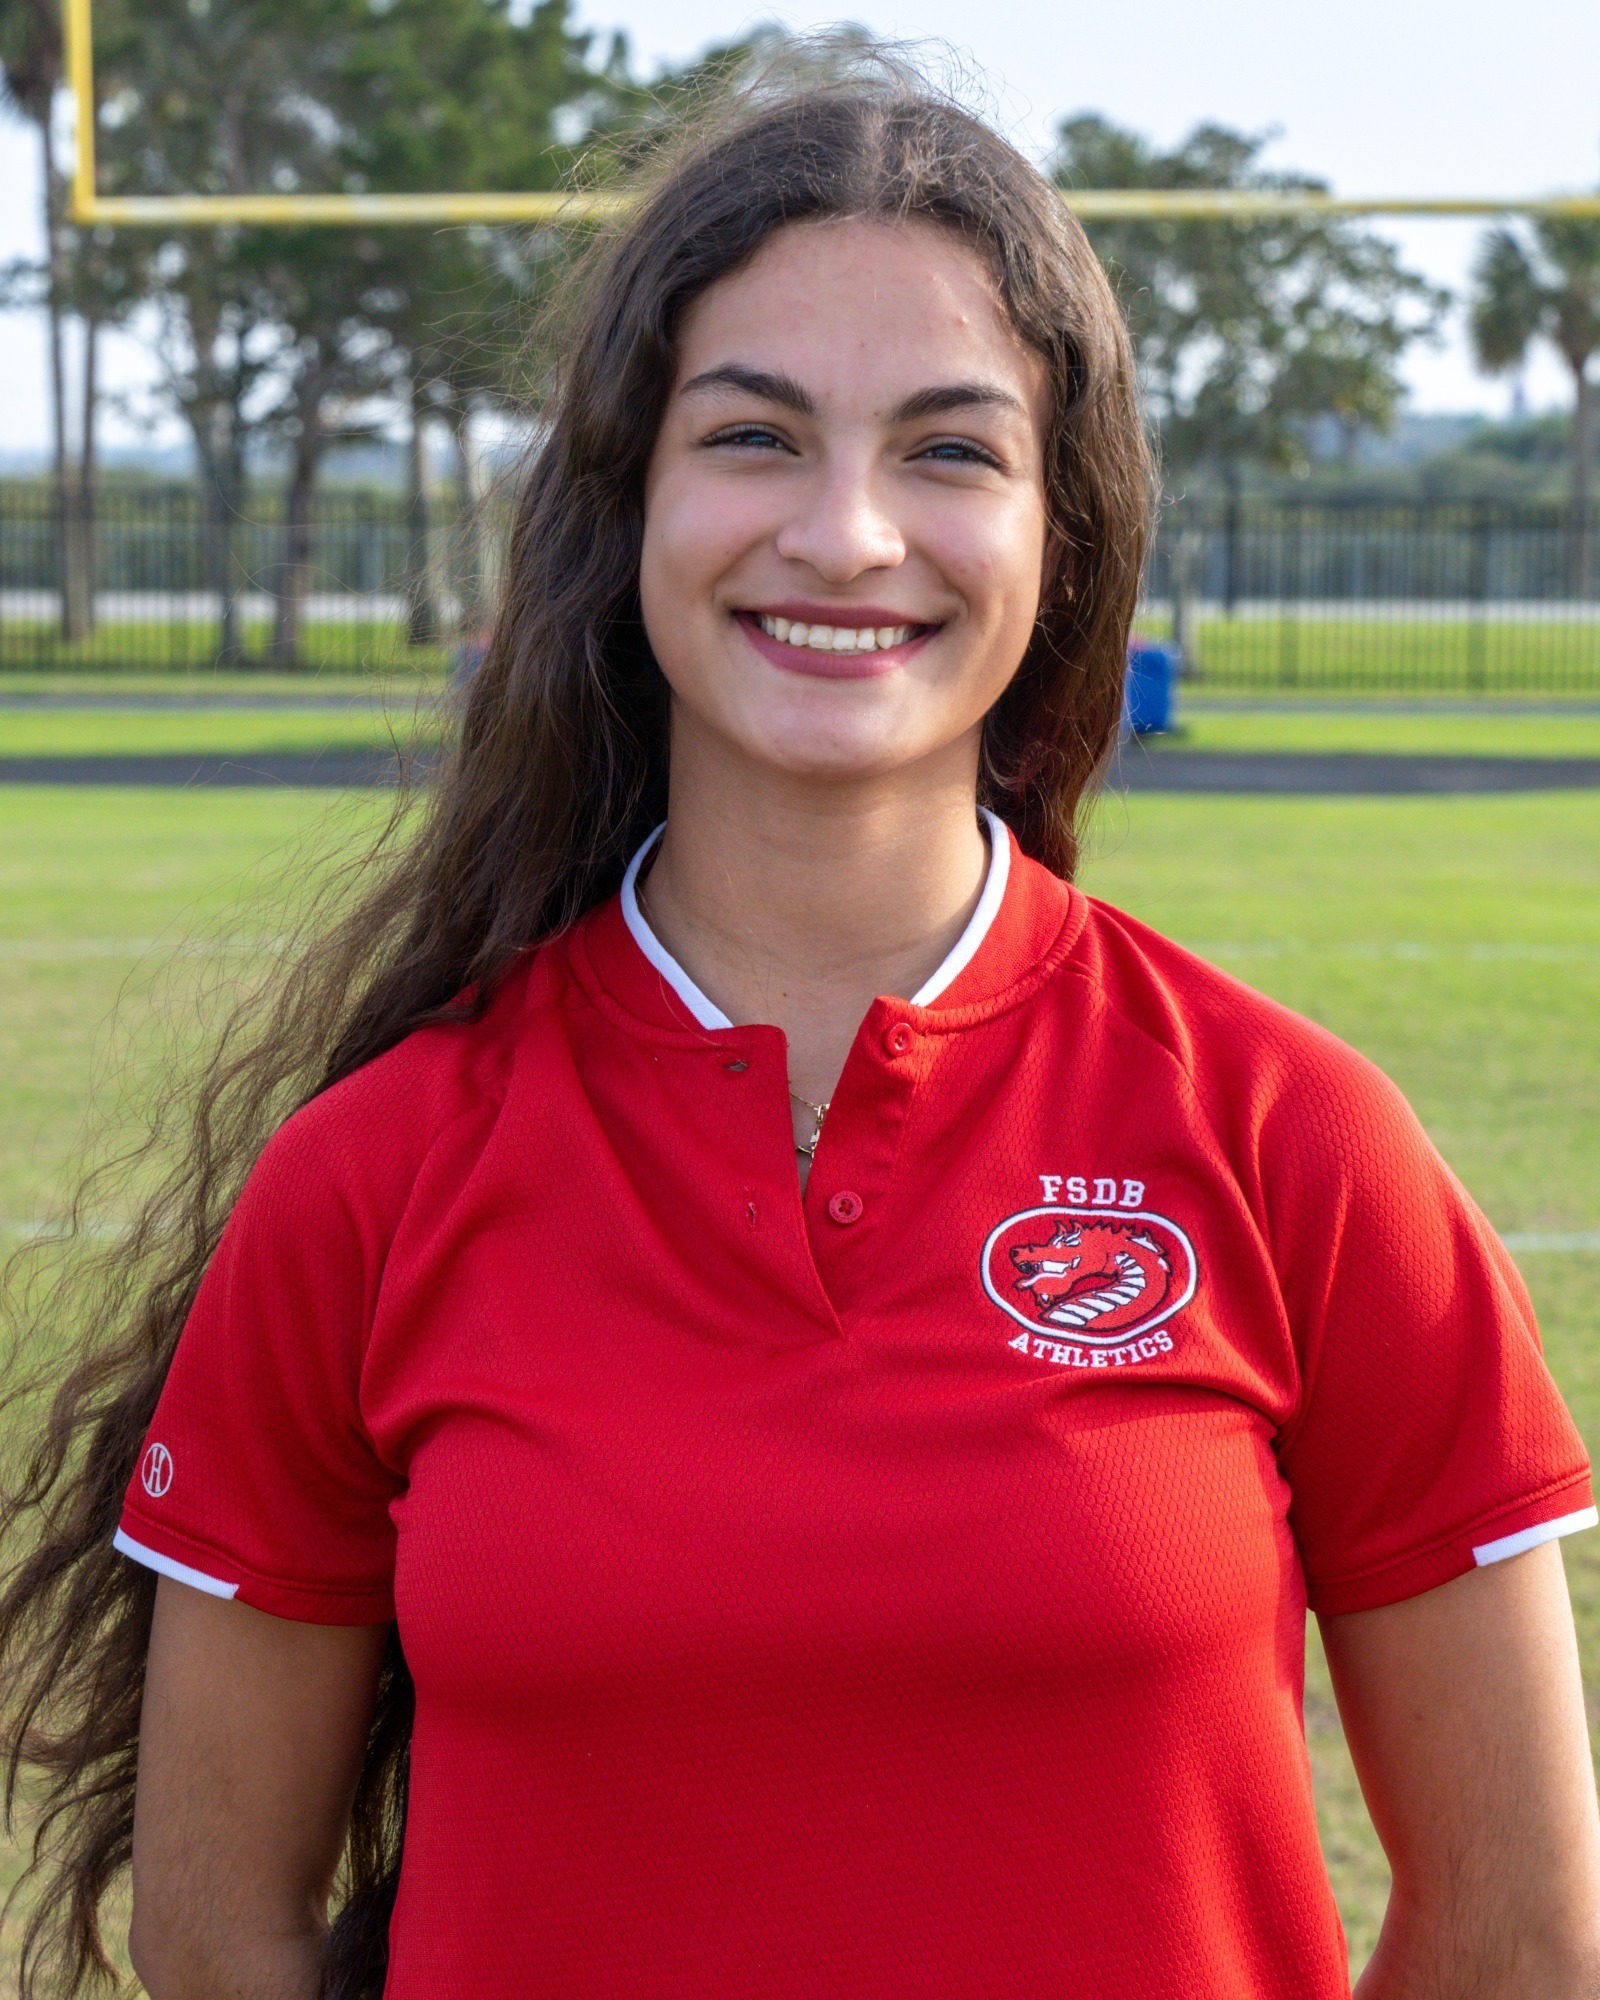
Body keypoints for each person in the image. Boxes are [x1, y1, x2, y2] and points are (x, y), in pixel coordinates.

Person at [3, 59, 1598, 2000]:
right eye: (754, 436)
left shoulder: (1296, 1141)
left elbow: (1515, 1937)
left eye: (945, 449)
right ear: (629, 499)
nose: (845, 532)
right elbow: (224, 1933)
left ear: (1060, 533)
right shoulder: (376, 1175)